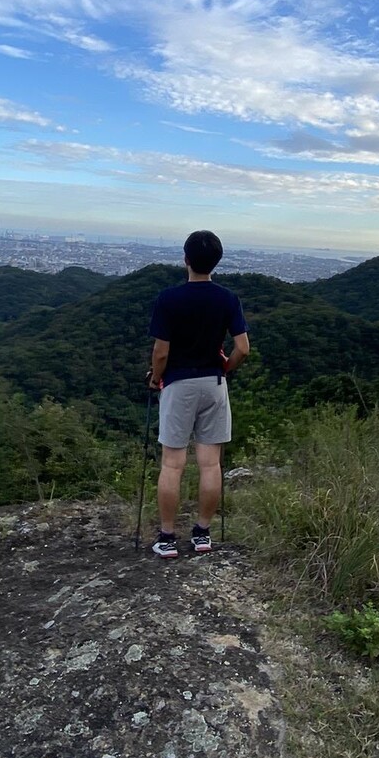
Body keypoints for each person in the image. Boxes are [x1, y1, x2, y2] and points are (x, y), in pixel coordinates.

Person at [147, 230, 249, 558]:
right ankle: (202, 534)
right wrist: (226, 367)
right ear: (216, 262)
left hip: (178, 384)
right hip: (214, 385)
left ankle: (166, 538)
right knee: (210, 465)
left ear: (185, 259)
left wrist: (156, 377)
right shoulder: (228, 298)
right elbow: (243, 349)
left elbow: (161, 352)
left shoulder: (168, 299)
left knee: (173, 464)